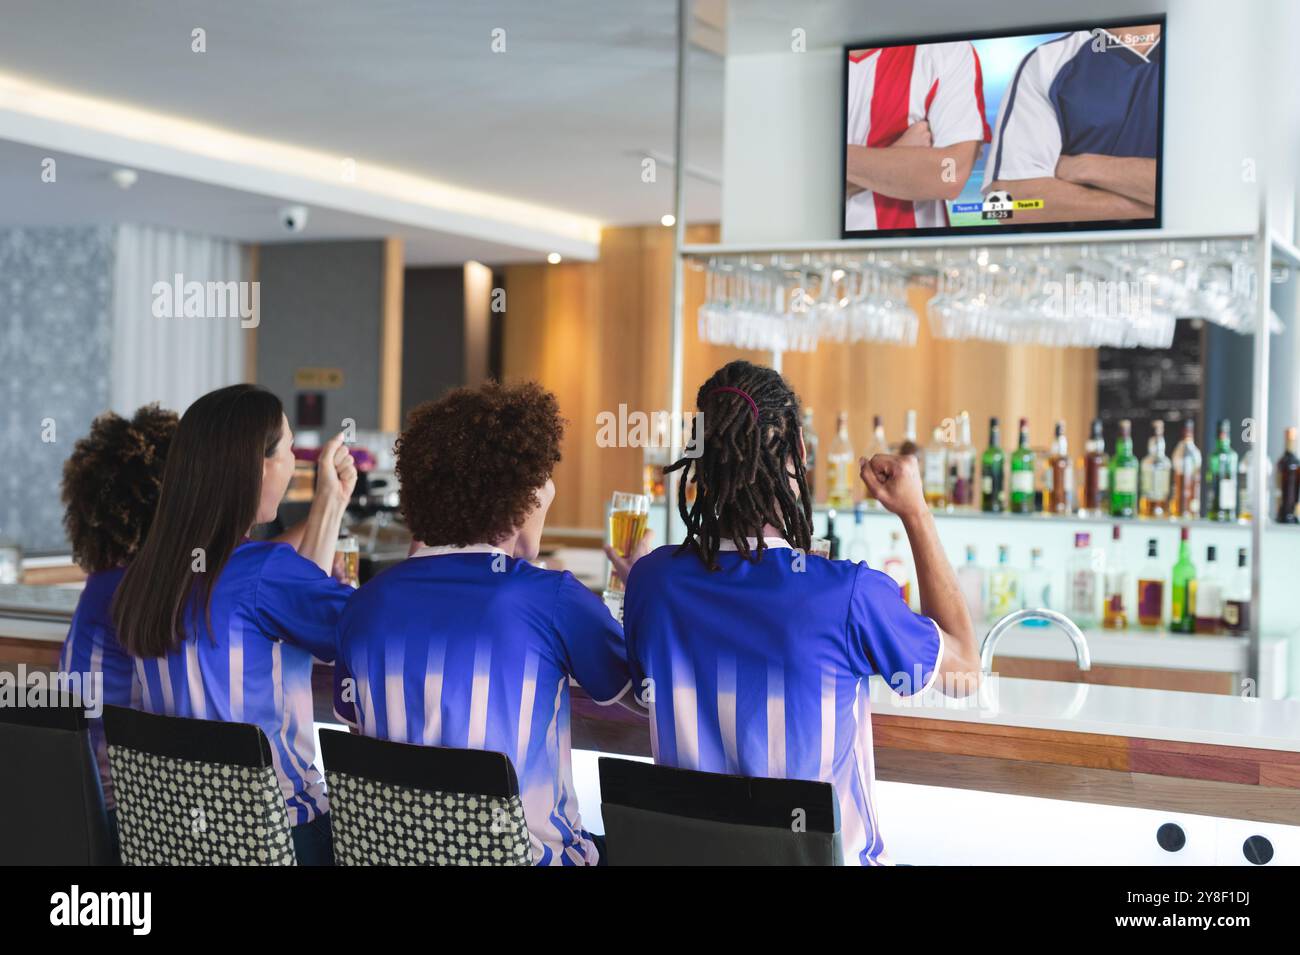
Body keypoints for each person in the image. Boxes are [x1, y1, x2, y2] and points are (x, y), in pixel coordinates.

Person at [614, 361, 979, 865]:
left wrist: (640, 579)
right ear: (801, 454)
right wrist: (916, 511)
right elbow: (964, 673)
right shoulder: (847, 593)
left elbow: (641, 686)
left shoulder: (651, 583)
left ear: (701, 460)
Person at [333, 381, 638, 866]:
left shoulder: (364, 604)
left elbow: (369, 754)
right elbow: (646, 700)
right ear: (522, 494)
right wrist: (645, 589)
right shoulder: (551, 599)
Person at [112, 384, 356, 865]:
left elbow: (293, 608)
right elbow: (363, 635)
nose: (294, 464)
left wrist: (329, 506)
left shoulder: (147, 573)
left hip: (171, 838)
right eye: (288, 450)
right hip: (276, 835)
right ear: (259, 465)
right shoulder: (264, 570)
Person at [58, 404, 179, 838]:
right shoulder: (134, 587)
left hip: (84, 811)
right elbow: (243, 582)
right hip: (124, 820)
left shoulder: (107, 581)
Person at [982, 24, 1161, 223]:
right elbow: (1008, 206)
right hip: (1072, 251)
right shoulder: (1048, 61)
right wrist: (1157, 207)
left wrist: (1085, 167)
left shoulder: (1199, 53)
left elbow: (1201, 186)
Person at [845, 40, 992, 231]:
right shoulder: (801, 60)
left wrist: (825, 164)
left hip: (915, 254)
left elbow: (948, 176)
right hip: (810, 250)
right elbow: (793, 192)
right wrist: (898, 154)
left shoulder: (946, 50)